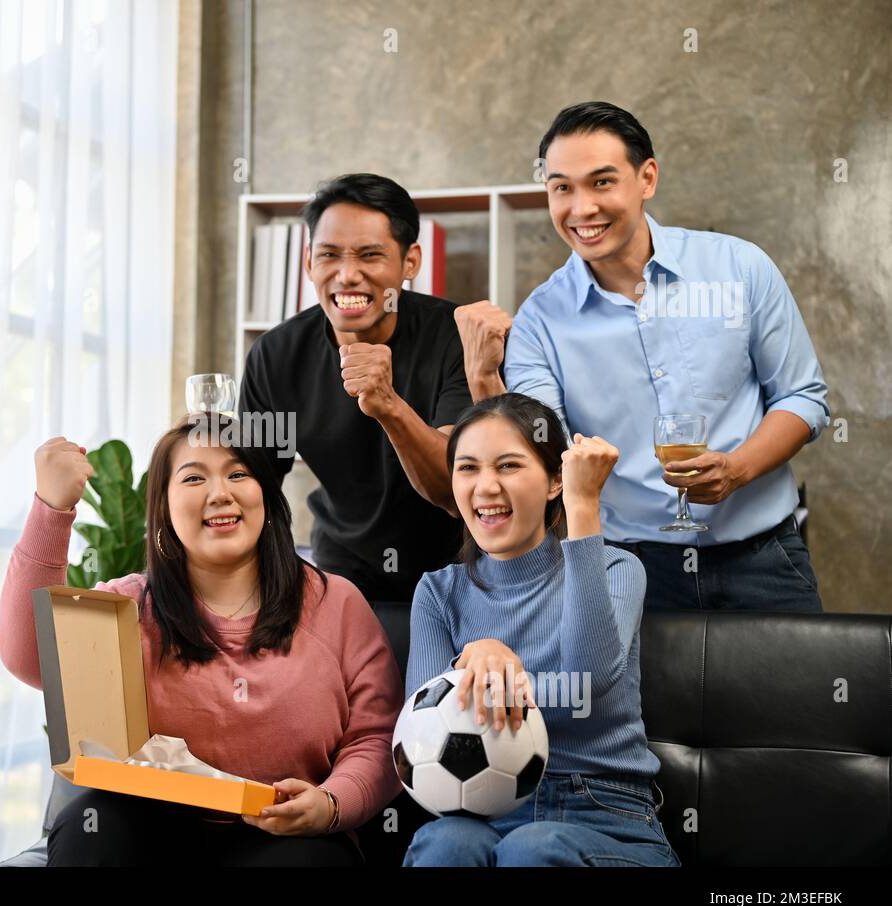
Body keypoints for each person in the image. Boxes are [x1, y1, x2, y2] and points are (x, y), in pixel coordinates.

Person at [454, 102, 829, 611]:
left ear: (646, 178)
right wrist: (482, 377)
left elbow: (803, 398)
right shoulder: (539, 322)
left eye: (602, 182)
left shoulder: (739, 268)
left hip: (765, 559)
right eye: (562, 187)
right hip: (629, 573)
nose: (582, 208)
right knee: (638, 697)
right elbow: (546, 456)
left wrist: (737, 470)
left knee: (792, 693)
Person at [0, 414, 403, 866]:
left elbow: (376, 738)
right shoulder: (126, 605)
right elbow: (31, 658)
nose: (220, 493)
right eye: (194, 478)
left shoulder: (336, 602)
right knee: (89, 824)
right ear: (164, 508)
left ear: (265, 495)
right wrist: (52, 510)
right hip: (155, 826)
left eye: (238, 473)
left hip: (288, 835)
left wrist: (329, 804)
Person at [403, 393, 678, 867]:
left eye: (508, 466)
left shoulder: (616, 569)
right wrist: (479, 654)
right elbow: (420, 732)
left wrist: (584, 503)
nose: (485, 486)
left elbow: (586, 687)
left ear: (555, 481)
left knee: (535, 849)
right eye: (467, 468)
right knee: (443, 844)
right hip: (485, 811)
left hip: (605, 812)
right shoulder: (437, 593)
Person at [239, 172, 471, 604]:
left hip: (458, 573)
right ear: (309, 262)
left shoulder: (454, 336)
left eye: (370, 255)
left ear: (410, 261)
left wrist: (388, 406)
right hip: (340, 574)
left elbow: (454, 490)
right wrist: (275, 589)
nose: (347, 275)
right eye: (329, 255)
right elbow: (257, 488)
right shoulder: (276, 357)